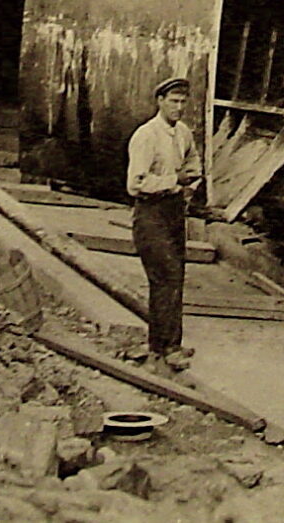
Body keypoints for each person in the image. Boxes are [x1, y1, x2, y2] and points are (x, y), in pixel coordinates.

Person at [127, 77, 201, 373]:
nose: (179, 107)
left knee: (176, 276)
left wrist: (188, 188)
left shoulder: (183, 133)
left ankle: (168, 343)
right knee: (164, 276)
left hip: (173, 212)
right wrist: (174, 182)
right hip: (149, 213)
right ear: (160, 101)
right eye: (173, 101)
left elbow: (195, 166)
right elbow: (136, 183)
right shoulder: (146, 136)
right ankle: (164, 347)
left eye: (183, 102)